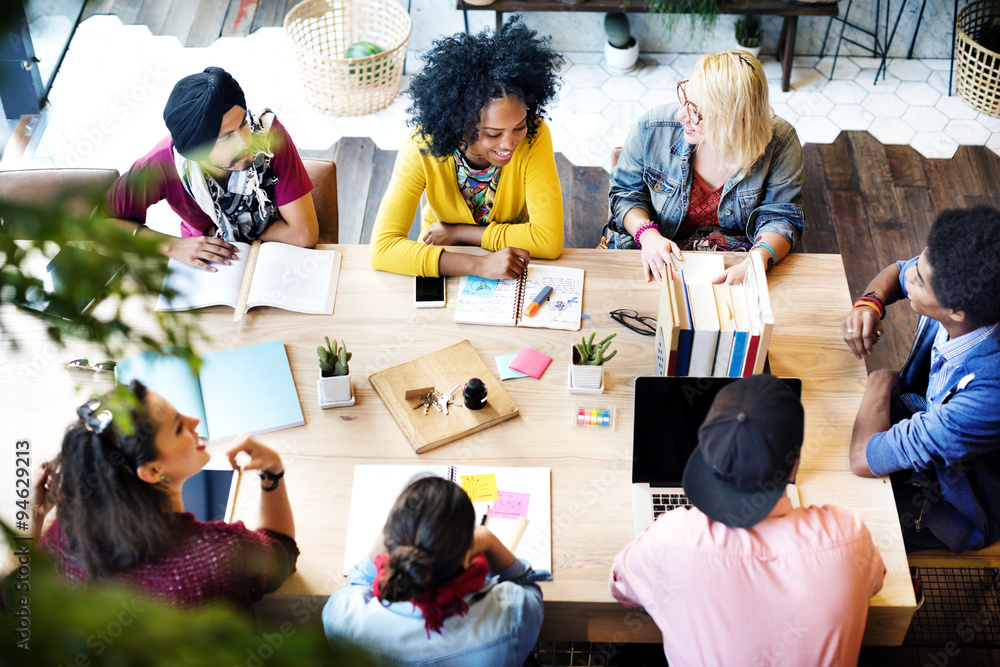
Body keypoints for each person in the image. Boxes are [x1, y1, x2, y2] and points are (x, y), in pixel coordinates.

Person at [610, 375, 885, 665]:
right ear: (794, 467)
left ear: (705, 452)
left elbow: (621, 587)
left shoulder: (669, 538)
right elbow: (874, 583)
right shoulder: (849, 536)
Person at [33, 381, 298, 611]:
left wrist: (35, 515)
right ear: (152, 470)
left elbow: (18, 597)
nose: (194, 420)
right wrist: (271, 470)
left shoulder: (62, 542)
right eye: (178, 427)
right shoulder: (218, 553)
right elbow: (282, 553)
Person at [845, 205, 1000, 554]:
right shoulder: (964, 286)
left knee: (846, 516)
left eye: (919, 279)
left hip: (957, 503)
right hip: (923, 415)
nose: (910, 272)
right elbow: (898, 272)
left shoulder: (987, 395)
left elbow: (863, 457)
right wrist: (869, 302)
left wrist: (882, 380)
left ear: (956, 312)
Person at [369, 17, 564, 279]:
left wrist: (459, 231)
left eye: (518, 126)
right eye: (493, 134)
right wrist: (479, 266)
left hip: (512, 256)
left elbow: (548, 241)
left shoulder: (535, 135)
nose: (509, 144)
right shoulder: (421, 146)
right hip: (442, 252)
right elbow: (382, 248)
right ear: (461, 124)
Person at [606, 50, 804, 285]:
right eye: (685, 97)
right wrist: (647, 235)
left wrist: (756, 261)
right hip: (658, 246)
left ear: (738, 118)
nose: (681, 115)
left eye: (697, 112)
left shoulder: (781, 142)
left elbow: (781, 217)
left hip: (737, 259)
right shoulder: (652, 128)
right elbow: (625, 195)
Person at [105, 66, 318, 272]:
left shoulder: (268, 136)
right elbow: (100, 226)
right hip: (206, 261)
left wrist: (227, 231)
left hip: (278, 254)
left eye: (243, 124)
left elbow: (302, 235)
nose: (245, 143)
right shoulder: (160, 165)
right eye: (226, 138)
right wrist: (171, 245)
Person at [322, 476, 546, 666]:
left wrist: (391, 531)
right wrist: (488, 539)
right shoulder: (512, 615)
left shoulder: (341, 619)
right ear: (468, 556)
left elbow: (358, 582)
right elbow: (526, 585)